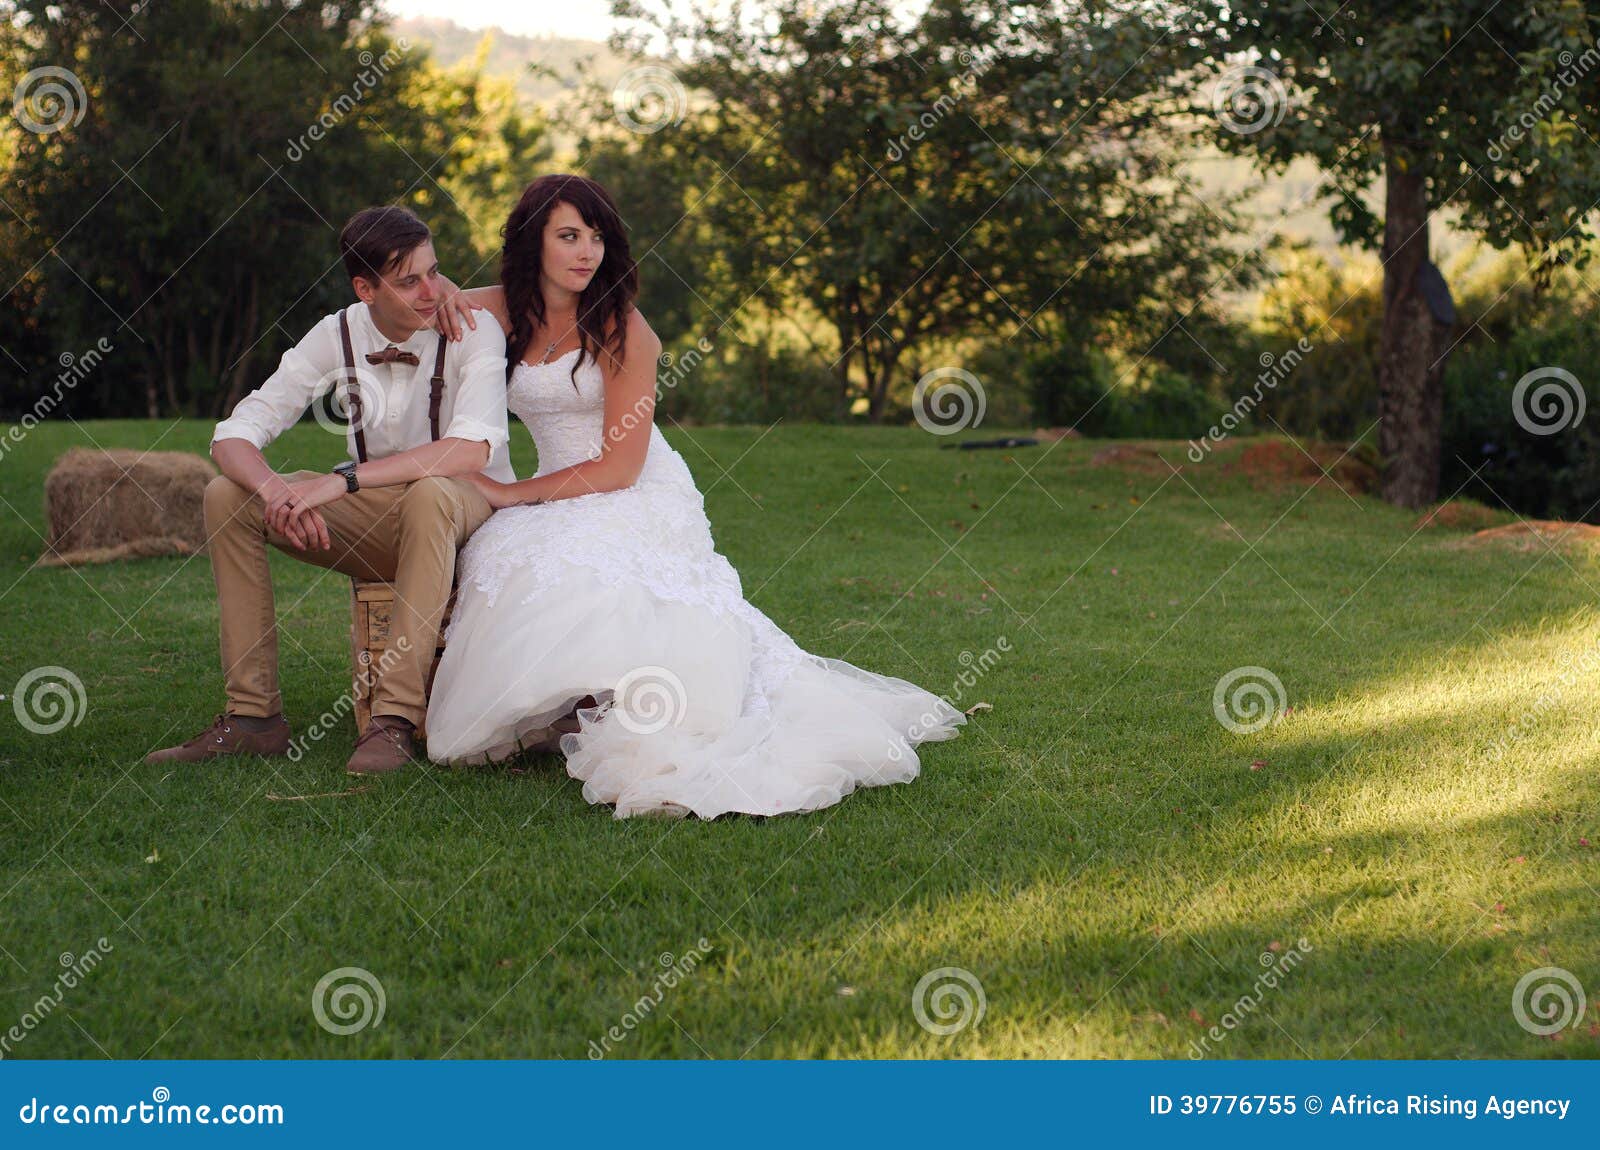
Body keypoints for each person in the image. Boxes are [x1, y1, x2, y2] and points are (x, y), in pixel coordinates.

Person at [423, 174, 964, 818]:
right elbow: (423, 298)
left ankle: (617, 704)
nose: (585, 252)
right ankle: (566, 705)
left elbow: (619, 466)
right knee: (510, 558)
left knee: (576, 566)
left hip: (634, 486)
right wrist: (448, 289)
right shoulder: (499, 309)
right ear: (529, 242)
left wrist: (513, 495)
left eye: (596, 237)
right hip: (559, 487)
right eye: (567, 235)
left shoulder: (624, 325)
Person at [147, 205, 513, 776]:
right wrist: (274, 491)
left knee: (429, 494)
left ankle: (391, 721)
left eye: (433, 272)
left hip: (468, 509)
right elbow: (235, 432)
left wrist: (339, 481)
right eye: (409, 280)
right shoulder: (336, 332)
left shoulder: (472, 327)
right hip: (381, 520)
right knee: (226, 495)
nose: (432, 292)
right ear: (365, 288)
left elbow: (470, 450)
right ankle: (253, 718)